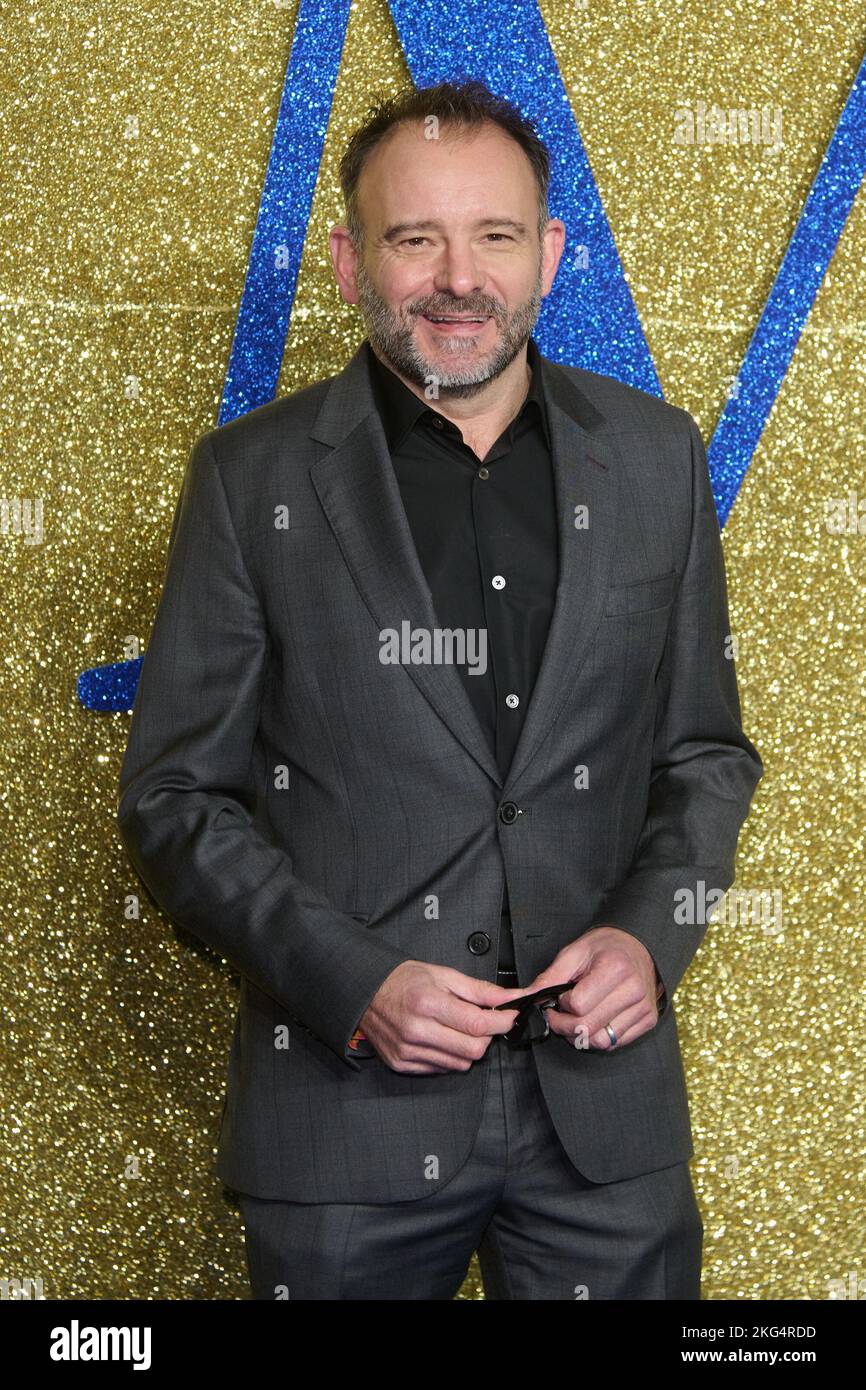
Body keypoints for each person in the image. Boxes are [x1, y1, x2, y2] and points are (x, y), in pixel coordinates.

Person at [117, 79, 763, 1300]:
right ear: (351, 260)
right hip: (342, 1123)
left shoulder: (653, 457)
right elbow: (173, 799)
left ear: (548, 254)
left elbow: (704, 757)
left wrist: (649, 933)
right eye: (415, 238)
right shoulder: (248, 478)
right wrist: (355, 985)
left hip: (603, 1133)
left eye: (494, 236)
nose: (456, 277)